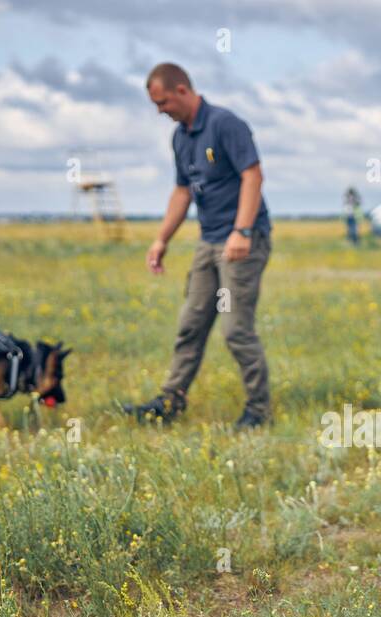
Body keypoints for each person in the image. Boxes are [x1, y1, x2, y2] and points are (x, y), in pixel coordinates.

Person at [122, 62, 272, 429]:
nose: (160, 111)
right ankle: (170, 401)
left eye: (162, 103)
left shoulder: (225, 124)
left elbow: (252, 174)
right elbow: (182, 191)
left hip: (243, 241)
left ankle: (259, 410)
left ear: (182, 91)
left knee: (236, 330)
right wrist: (161, 240)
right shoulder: (181, 137)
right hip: (209, 241)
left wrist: (242, 231)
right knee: (190, 323)